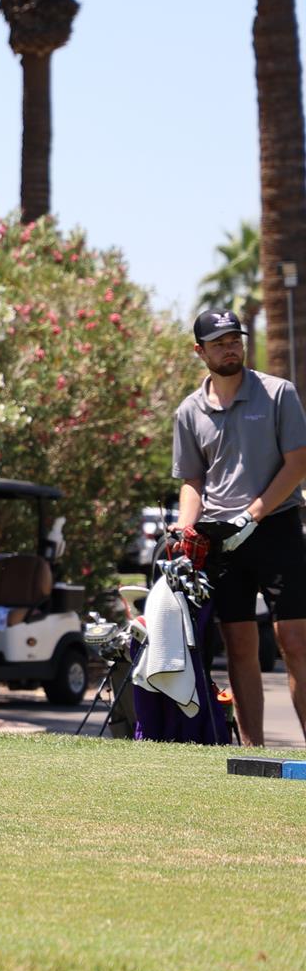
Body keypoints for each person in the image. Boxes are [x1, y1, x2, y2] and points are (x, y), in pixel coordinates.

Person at [171, 308, 306, 746]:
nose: (230, 349)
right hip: (221, 539)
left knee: (295, 642)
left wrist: (253, 514)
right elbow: (193, 480)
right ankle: (255, 753)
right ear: (200, 351)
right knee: (239, 644)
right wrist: (185, 529)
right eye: (219, 343)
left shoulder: (278, 393)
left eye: (235, 340)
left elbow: (297, 464)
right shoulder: (189, 411)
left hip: (277, 526)